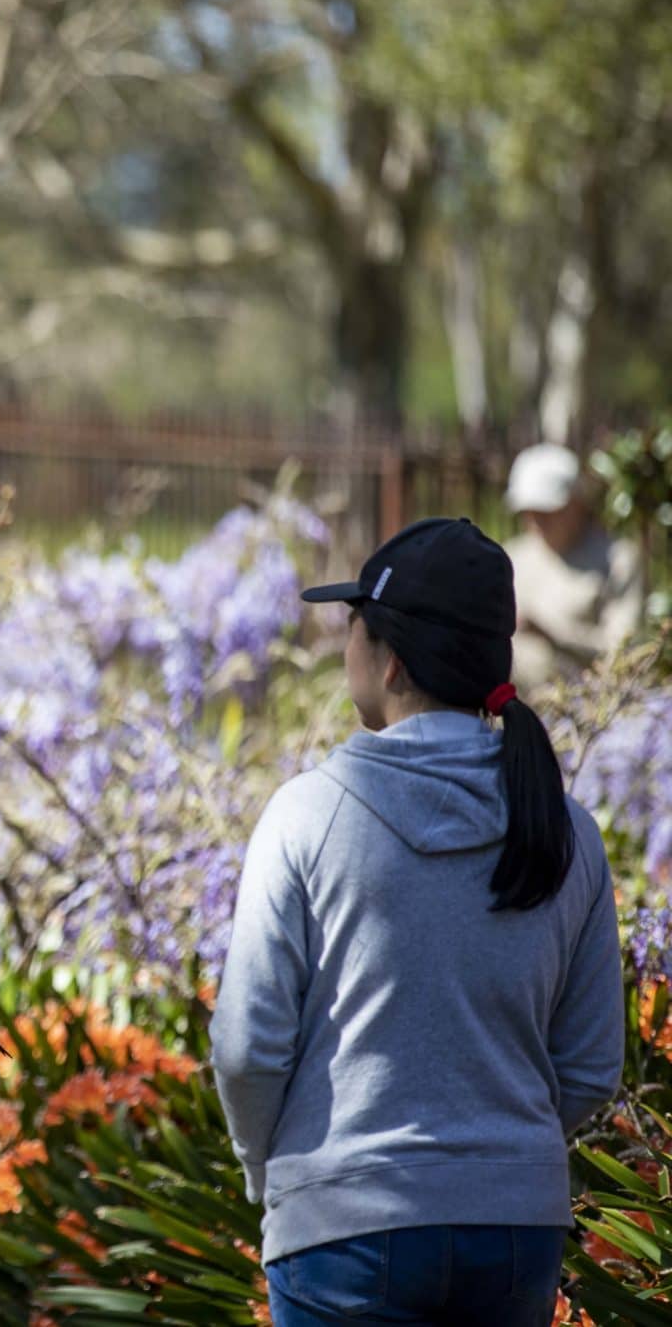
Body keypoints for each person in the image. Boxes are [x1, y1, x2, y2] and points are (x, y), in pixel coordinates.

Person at [212, 517, 624, 1327]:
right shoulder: (566, 828)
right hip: (516, 1229)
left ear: (390, 657)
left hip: (342, 1225)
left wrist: (271, 1167)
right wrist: (492, 1155)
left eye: (352, 625)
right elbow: (589, 1066)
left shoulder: (309, 813)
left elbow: (247, 1046)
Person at [503, 442, 646, 691]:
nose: (536, 520)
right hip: (512, 714)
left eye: (547, 510)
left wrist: (552, 634)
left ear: (577, 503)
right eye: (528, 511)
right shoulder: (511, 557)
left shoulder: (617, 561)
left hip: (584, 714)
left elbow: (622, 652)